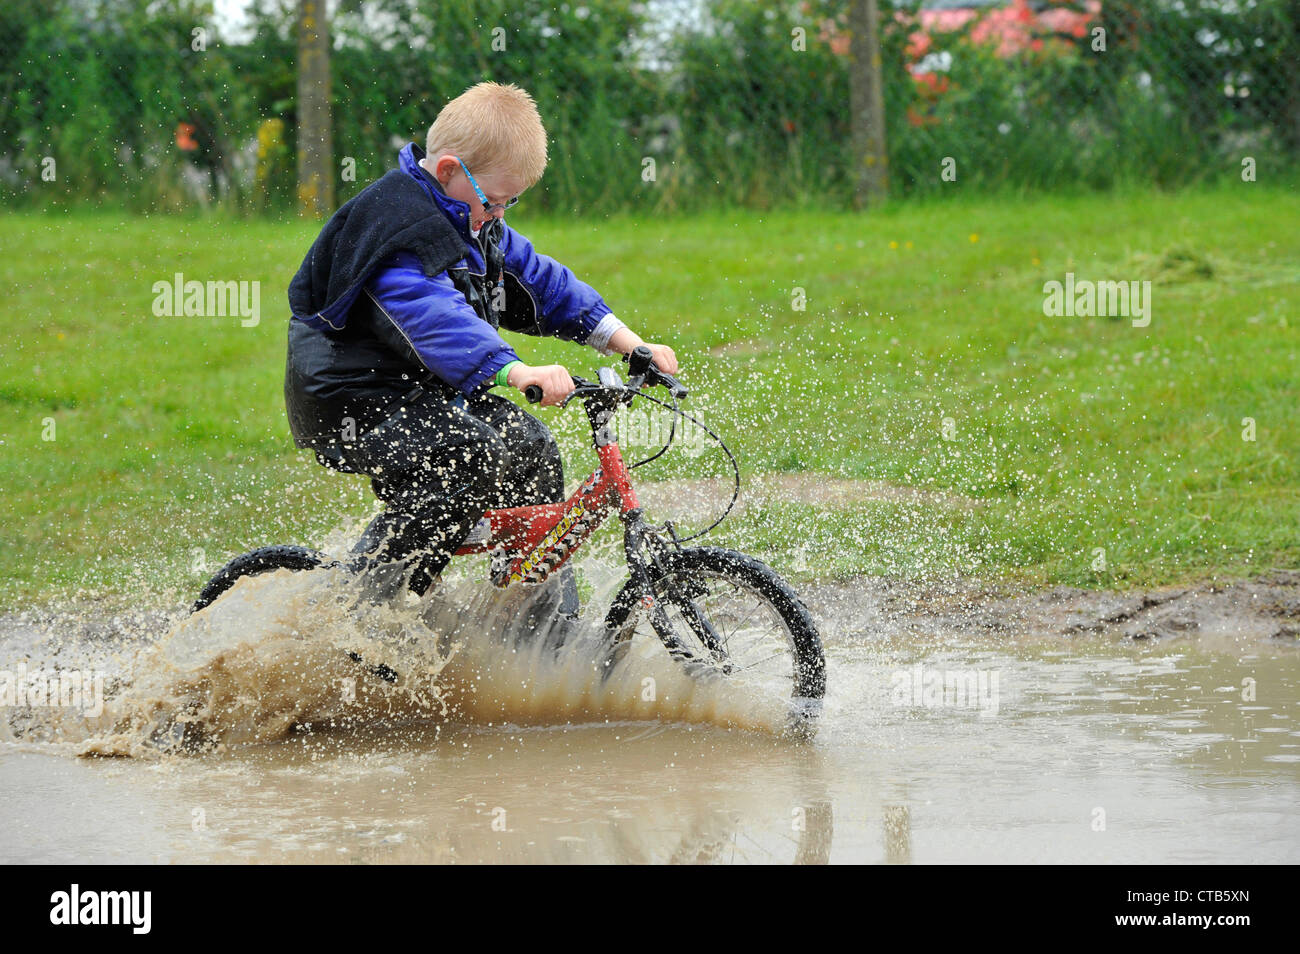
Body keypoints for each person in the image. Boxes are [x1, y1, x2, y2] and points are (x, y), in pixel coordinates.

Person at [285, 82, 676, 618]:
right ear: (448, 171)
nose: (500, 213)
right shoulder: (397, 227)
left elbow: (542, 282)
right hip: (351, 398)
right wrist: (512, 371)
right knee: (468, 456)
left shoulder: (472, 219)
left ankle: (535, 624)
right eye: (494, 200)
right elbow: (432, 317)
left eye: (512, 202)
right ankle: (361, 611)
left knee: (531, 446)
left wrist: (629, 345)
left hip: (423, 388)